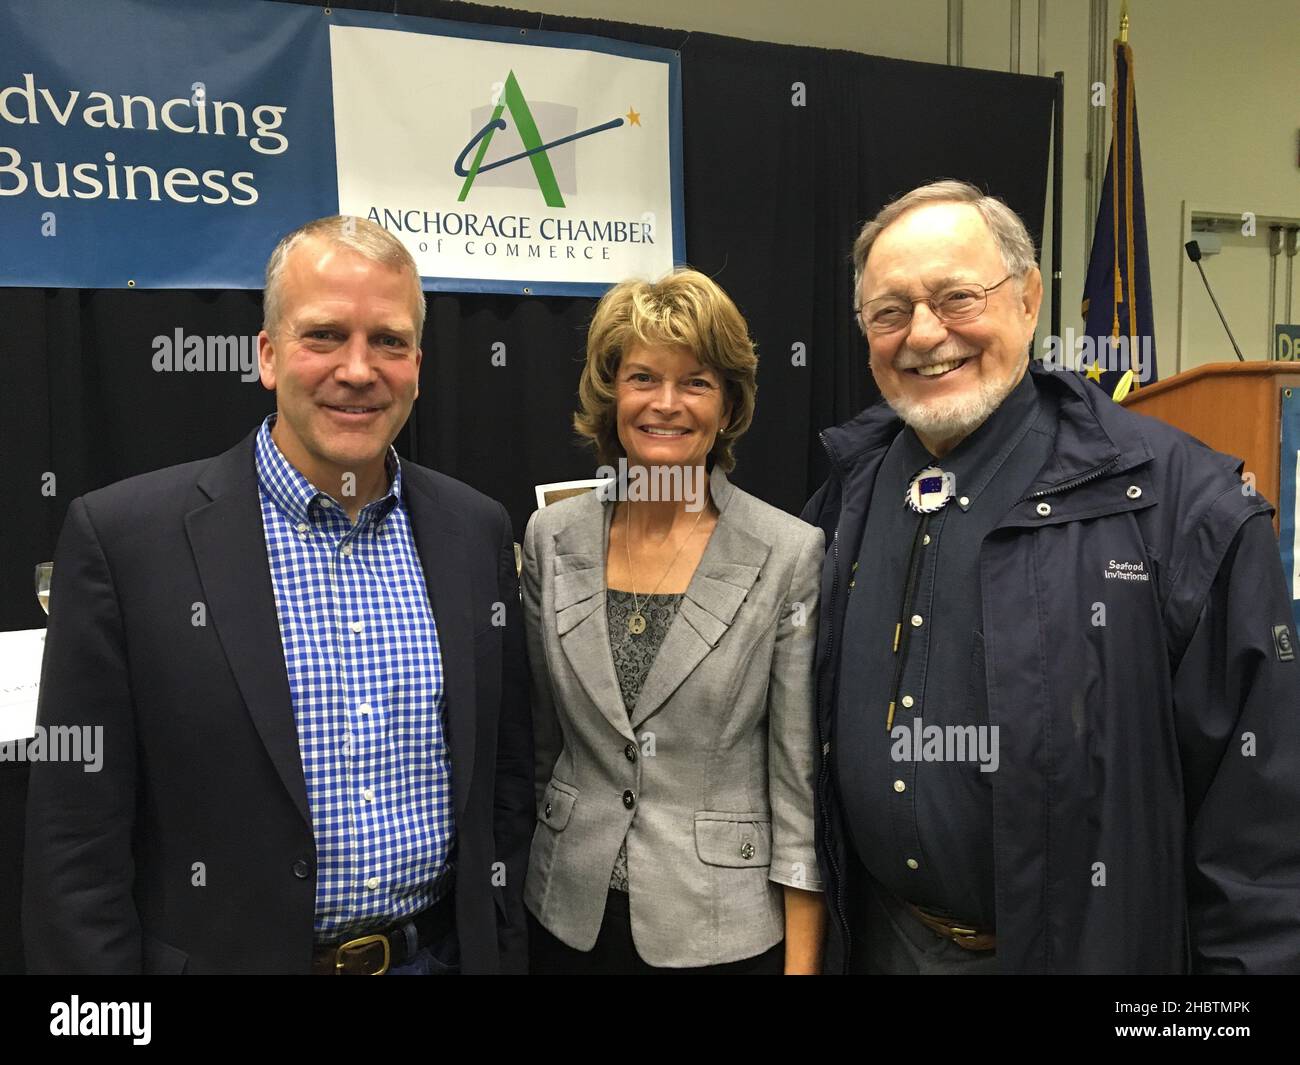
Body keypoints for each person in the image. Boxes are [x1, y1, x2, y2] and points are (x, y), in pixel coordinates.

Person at [803, 179, 1300, 974]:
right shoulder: (846, 495)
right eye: (889, 312)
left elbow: (1261, 842)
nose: (924, 335)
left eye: (957, 298)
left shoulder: (1184, 512)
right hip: (878, 942)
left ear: (1029, 300)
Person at [23, 216, 533, 975]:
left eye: (388, 340)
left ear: (419, 365)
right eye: (324, 335)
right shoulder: (126, 540)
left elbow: (505, 781)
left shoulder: (473, 530)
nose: (359, 369)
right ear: (266, 354)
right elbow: (75, 847)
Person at [522, 269, 826, 973]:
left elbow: (797, 784)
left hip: (721, 931)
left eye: (696, 381)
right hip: (566, 921)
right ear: (610, 393)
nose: (666, 403)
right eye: (642, 377)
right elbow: (539, 748)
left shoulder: (786, 552)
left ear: (728, 403)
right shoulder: (551, 537)